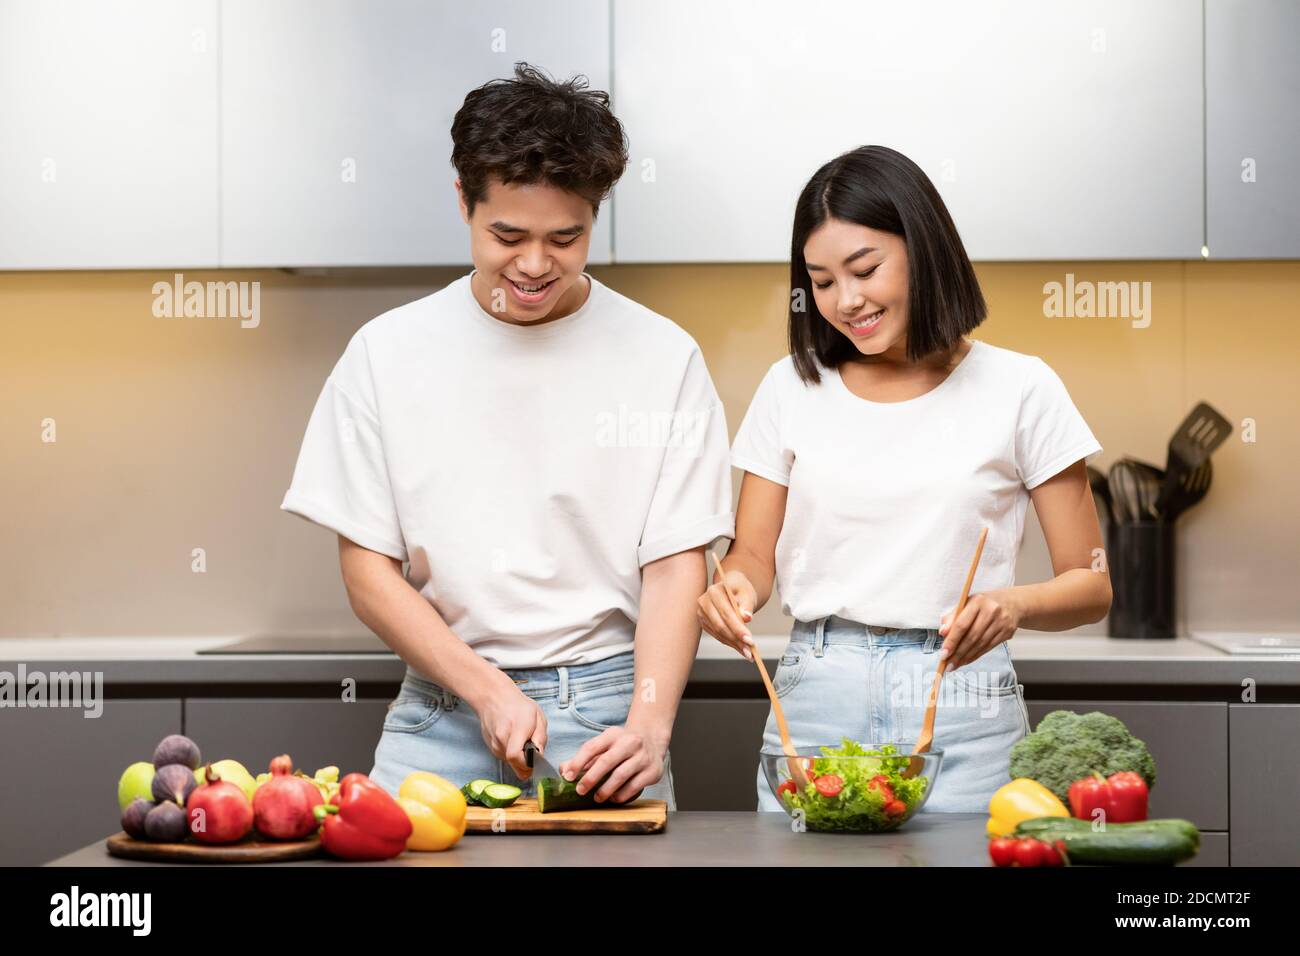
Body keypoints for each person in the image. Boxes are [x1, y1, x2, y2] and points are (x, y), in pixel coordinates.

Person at [281, 64, 734, 808]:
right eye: (507, 234)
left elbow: (678, 565)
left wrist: (649, 725)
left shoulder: (663, 357)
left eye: (566, 237)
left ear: (597, 215)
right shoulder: (386, 352)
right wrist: (484, 686)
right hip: (440, 710)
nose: (533, 264)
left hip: (603, 723)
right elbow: (367, 570)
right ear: (463, 201)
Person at [697, 145, 1111, 813]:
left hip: (963, 695)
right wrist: (730, 592)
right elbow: (751, 557)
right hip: (818, 691)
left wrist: (1014, 606)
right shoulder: (791, 386)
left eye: (865, 270)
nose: (846, 300)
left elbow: (1090, 584)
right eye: (822, 281)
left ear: (923, 247)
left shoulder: (1021, 387)